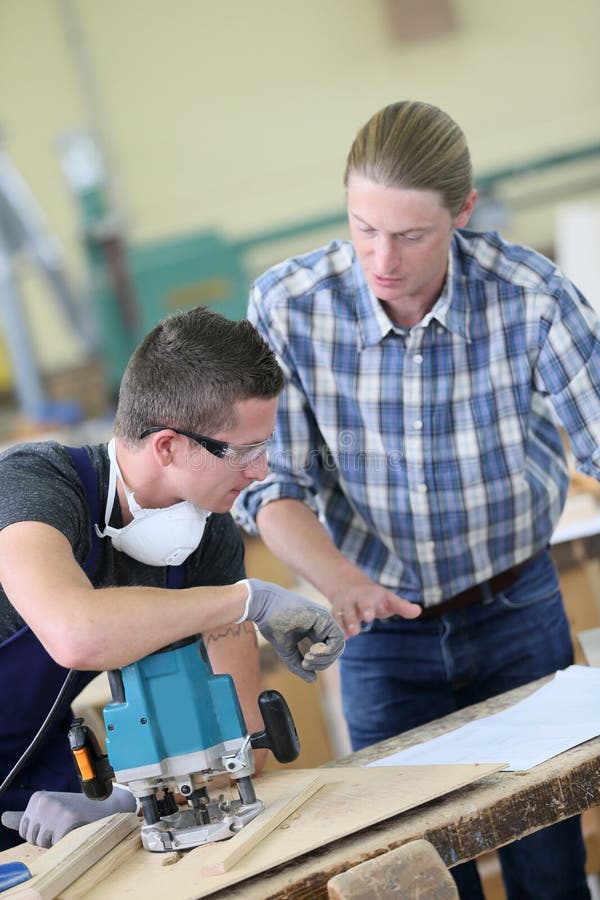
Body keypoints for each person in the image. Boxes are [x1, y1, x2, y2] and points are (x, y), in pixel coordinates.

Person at [235, 100, 600, 899]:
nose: (383, 259)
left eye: (410, 235)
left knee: (550, 871)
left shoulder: (532, 297)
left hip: (518, 611)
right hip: (378, 635)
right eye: (364, 228)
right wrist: (339, 581)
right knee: (418, 875)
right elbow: (270, 486)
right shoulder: (289, 308)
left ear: (463, 213)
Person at [0, 305, 344, 851]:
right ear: (167, 445)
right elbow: (75, 633)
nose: (262, 471)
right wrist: (246, 602)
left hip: (41, 781)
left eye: (265, 445)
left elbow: (242, 741)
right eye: (244, 450)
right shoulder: (35, 484)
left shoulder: (209, 537)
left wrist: (127, 801)